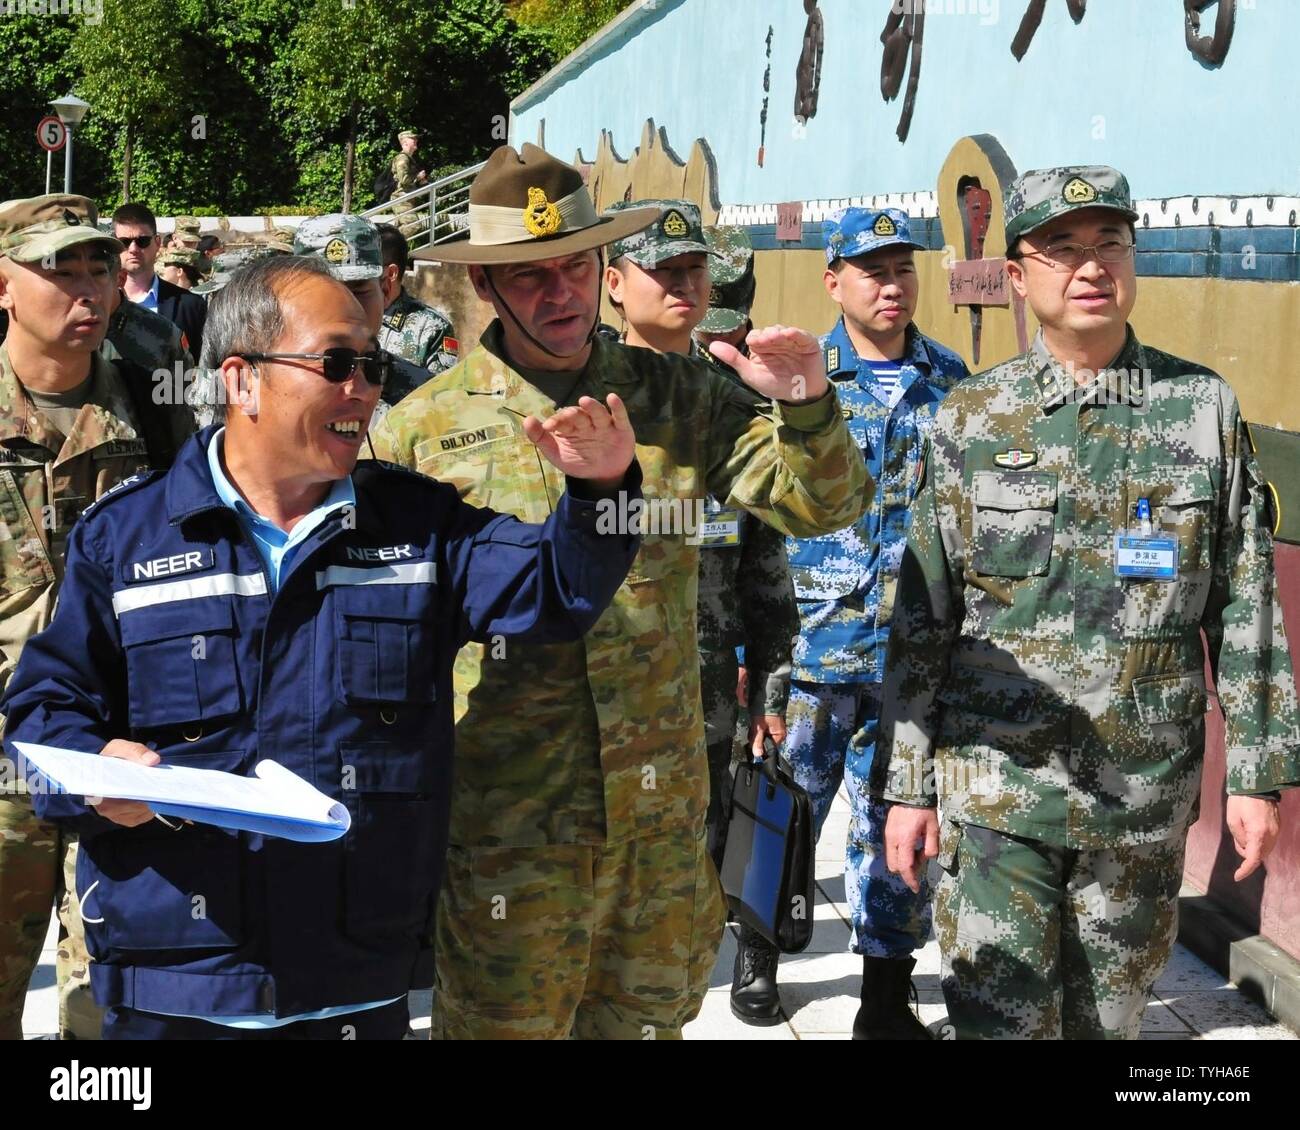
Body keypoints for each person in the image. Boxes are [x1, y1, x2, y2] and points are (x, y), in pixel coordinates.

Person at [0, 252, 644, 1040]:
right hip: (177, 991)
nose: (364, 389)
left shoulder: (419, 528)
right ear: (241, 380)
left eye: (372, 365)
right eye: (337, 363)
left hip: (355, 986)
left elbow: (556, 592)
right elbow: (40, 714)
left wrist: (602, 491)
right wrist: (98, 777)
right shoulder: (125, 538)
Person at [371, 142, 868, 1040]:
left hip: (657, 823)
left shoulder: (678, 397)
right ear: (485, 289)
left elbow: (821, 505)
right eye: (528, 277)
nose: (557, 293)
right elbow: (386, 639)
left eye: (574, 265)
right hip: (509, 831)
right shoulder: (419, 431)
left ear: (602, 267)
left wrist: (807, 404)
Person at [879, 165, 1300, 1039]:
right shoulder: (970, 419)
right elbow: (924, 622)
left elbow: (1248, 606)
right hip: (997, 790)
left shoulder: (1201, 412)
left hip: (1139, 798)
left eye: (1110, 244)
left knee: (1108, 1027)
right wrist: (908, 788)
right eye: (1062, 249)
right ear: (1020, 272)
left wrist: (1256, 775)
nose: (1091, 266)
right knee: (999, 1022)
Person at [767, 208, 970, 1037]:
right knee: (785, 808)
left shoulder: (954, 380)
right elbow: (760, 516)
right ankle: (759, 950)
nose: (891, 286)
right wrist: (759, 651)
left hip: (906, 653)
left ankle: (883, 996)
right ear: (834, 281)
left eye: (902, 270)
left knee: (893, 822)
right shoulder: (801, 379)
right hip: (815, 640)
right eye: (872, 271)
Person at [0, 194, 195, 1042]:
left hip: (120, 749)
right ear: (4, 285)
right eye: (57, 270)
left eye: (96, 268)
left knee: (112, 1007)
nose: (85, 289)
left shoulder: (153, 393)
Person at [604, 199, 799, 883]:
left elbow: (768, 576)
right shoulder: (581, 402)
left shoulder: (733, 413)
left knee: (697, 883)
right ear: (616, 284)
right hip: (598, 713)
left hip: (705, 701)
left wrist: (770, 693)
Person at [293, 215, 433, 413]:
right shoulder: (264, 391)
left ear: (385, 290)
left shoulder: (427, 398)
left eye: (357, 291)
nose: (344, 307)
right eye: (323, 294)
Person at [112, 204, 206, 360]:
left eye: (142, 241)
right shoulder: (99, 303)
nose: (133, 249)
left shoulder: (191, 305)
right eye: (124, 242)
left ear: (157, 243)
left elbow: (203, 367)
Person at [376, 224, 458, 375]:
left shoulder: (432, 327)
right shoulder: (344, 317)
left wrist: (389, 374)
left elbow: (443, 392)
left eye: (367, 269)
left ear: (391, 273)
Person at [695, 225, 756, 356]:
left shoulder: (771, 365)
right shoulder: (671, 365)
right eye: (709, 330)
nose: (719, 336)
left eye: (729, 330)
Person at [389, 129, 428, 239]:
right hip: (401, 199)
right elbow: (404, 179)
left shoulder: (409, 158)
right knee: (413, 226)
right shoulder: (402, 158)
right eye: (413, 139)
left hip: (405, 198)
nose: (416, 140)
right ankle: (391, 243)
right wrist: (418, 177)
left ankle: (393, 250)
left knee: (400, 227)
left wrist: (420, 181)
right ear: (405, 143)